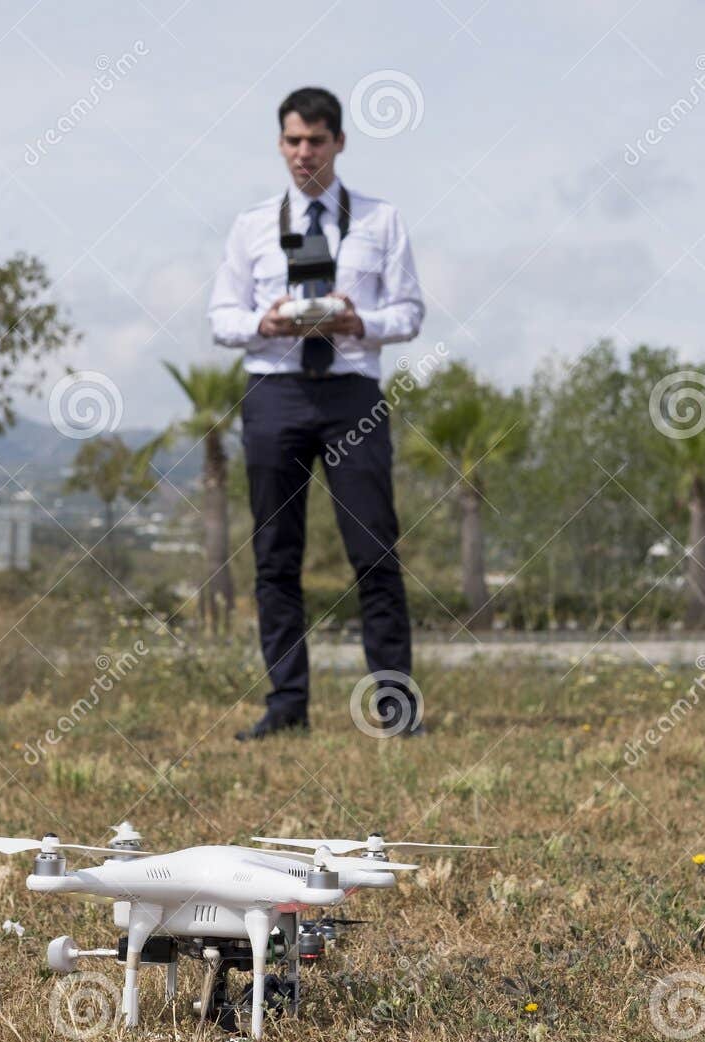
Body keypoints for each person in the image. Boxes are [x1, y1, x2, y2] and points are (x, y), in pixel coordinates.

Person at [209, 86, 425, 739]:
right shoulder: (251, 226)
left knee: (375, 552)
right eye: (293, 141)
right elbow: (220, 319)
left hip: (351, 391)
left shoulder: (381, 220)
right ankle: (287, 704)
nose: (304, 153)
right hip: (274, 390)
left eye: (317, 140)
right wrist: (263, 320)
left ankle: (394, 705)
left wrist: (363, 319)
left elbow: (411, 312)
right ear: (280, 144)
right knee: (276, 554)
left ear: (339, 143)